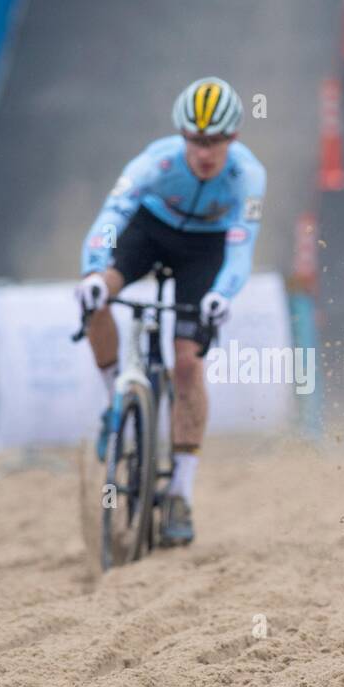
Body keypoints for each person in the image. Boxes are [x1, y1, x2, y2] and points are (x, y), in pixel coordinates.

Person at [75, 77, 266, 546]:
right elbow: (112, 216)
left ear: (233, 138)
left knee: (187, 361)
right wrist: (96, 274)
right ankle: (113, 404)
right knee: (96, 297)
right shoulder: (155, 162)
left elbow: (242, 248)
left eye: (216, 141)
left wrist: (222, 293)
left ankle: (180, 491)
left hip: (206, 248)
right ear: (183, 137)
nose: (205, 152)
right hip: (151, 229)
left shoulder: (248, 177)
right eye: (197, 141)